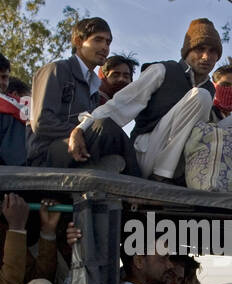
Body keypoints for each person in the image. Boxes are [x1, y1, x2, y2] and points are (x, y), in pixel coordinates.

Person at [82, 19, 222, 181]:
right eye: (200, 49)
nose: (206, 57)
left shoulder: (210, 88)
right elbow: (121, 104)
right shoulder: (163, 70)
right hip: (148, 153)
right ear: (187, 52)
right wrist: (83, 127)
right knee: (200, 96)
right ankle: (162, 175)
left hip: (182, 158)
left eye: (212, 51)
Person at [27, 16, 139, 174]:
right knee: (105, 126)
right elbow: (41, 121)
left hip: (79, 148)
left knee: (117, 145)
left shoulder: (93, 84)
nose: (104, 47)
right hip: (47, 154)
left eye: (107, 42)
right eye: (98, 40)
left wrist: (80, 131)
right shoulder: (56, 70)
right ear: (78, 42)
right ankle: (140, 189)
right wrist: (76, 130)